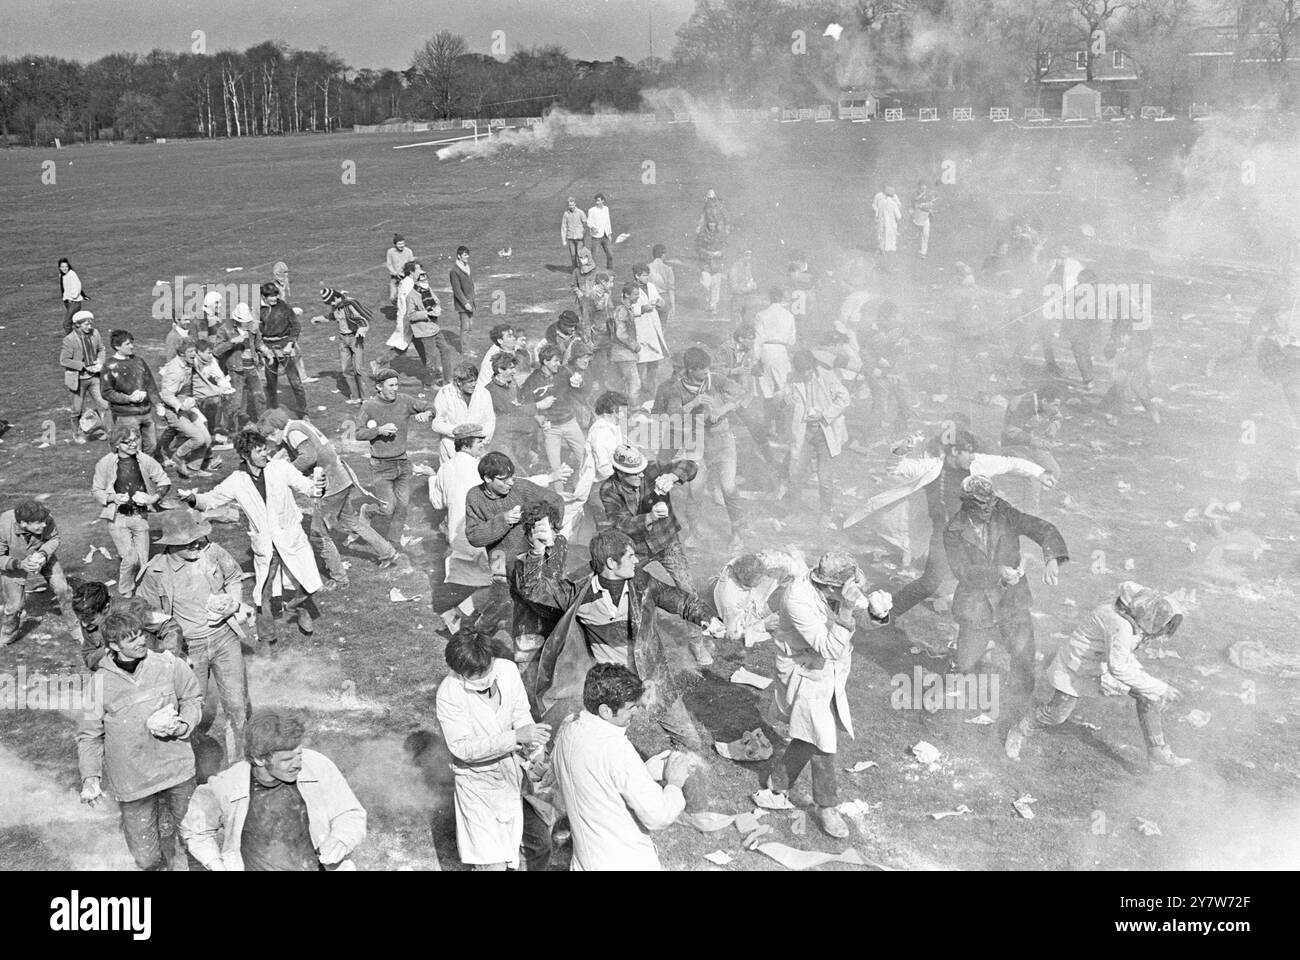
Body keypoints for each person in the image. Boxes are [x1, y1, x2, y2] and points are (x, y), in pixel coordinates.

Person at [520, 530, 723, 754]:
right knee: (591, 745)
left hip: (651, 676)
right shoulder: (580, 591)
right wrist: (536, 551)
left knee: (689, 740)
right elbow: (533, 590)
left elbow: (683, 603)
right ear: (611, 562)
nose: (637, 560)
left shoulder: (643, 583)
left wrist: (708, 618)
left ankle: (680, 774)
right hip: (609, 685)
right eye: (630, 556)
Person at [843, 428, 1054, 614]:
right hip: (944, 536)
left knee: (997, 573)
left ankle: (1004, 619)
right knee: (929, 584)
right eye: (968, 452)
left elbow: (1011, 463)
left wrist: (1040, 473)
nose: (972, 457)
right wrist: (901, 449)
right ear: (955, 452)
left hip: (975, 534)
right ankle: (887, 615)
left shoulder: (979, 463)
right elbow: (894, 468)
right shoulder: (931, 467)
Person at [766, 553, 892, 838]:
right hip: (802, 668)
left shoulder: (840, 587)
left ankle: (778, 783)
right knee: (823, 738)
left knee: (811, 733)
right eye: (849, 587)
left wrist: (877, 612)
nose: (854, 589)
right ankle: (826, 806)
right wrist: (846, 609)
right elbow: (829, 647)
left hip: (827, 670)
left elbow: (863, 619)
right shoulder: (797, 598)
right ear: (831, 587)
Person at [1005, 581, 1188, 768]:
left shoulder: (1132, 603)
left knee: (1150, 697)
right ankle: (1020, 729)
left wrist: (1155, 689)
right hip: (1077, 668)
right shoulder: (1119, 624)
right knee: (1056, 715)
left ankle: (1157, 752)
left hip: (1104, 664)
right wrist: (1162, 687)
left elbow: (1131, 587)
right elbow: (1119, 668)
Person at [76, 609, 202, 871]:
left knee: (196, 838)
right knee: (147, 859)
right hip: (133, 780)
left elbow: (192, 697)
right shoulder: (99, 683)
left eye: (141, 635)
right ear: (113, 645)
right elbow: (89, 735)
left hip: (176, 768)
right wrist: (91, 777)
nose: (141, 642)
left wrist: (185, 724)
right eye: (131, 639)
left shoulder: (168, 665)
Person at [185, 428, 327, 641]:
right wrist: (192, 498)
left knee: (309, 582)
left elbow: (308, 487)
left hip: (290, 538)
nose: (265, 454)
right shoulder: (236, 481)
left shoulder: (280, 468)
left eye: (265, 449)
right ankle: (267, 636)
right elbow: (211, 499)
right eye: (259, 451)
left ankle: (297, 607)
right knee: (264, 593)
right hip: (265, 545)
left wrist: (319, 486)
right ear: (245, 455)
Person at [550, 663, 695, 871]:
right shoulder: (618, 751)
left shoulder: (569, 729)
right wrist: (674, 783)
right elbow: (658, 815)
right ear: (606, 711)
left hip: (585, 861)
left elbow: (595, 780)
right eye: (631, 707)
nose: (636, 712)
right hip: (624, 861)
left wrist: (644, 772)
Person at [181, 712, 367, 870]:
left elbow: (349, 813)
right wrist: (216, 864)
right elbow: (196, 832)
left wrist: (341, 838)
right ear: (259, 759)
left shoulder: (318, 766)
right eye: (287, 760)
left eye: (299, 754)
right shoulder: (227, 786)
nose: (298, 764)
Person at [943, 475, 1069, 708]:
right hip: (977, 601)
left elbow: (1042, 528)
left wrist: (1051, 558)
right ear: (967, 503)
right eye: (982, 505)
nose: (989, 509)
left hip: (1012, 598)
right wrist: (997, 572)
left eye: (991, 502)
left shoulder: (1004, 512)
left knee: (1023, 653)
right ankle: (959, 674)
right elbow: (962, 571)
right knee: (967, 658)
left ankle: (1020, 700)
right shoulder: (954, 530)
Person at [136, 508, 250, 754]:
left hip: (224, 639)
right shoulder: (155, 571)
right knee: (190, 708)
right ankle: (193, 762)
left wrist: (232, 601)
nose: (198, 545)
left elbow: (233, 577)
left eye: (199, 539)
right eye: (190, 542)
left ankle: (239, 762)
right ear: (173, 544)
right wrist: (168, 640)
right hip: (188, 648)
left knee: (237, 705)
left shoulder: (213, 553)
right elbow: (142, 611)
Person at [435, 627, 550, 870]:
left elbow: (520, 712)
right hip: (478, 784)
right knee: (492, 865)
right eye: (470, 674)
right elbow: (463, 748)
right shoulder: (449, 693)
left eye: (483, 670)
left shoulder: (507, 670)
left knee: (538, 846)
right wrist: (515, 737)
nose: (479, 677)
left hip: (512, 777)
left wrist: (533, 747)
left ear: (491, 658)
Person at [260, 409, 406, 582]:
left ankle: (338, 577)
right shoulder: (297, 425)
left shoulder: (293, 432)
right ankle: (388, 552)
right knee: (351, 522)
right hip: (341, 478)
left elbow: (308, 457)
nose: (269, 439)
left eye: (270, 434)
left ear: (277, 427)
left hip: (331, 485)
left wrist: (285, 472)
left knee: (318, 533)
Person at [653, 346, 747, 551]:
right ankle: (695, 533)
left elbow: (741, 394)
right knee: (695, 490)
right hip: (696, 442)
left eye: (707, 369)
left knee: (728, 487)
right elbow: (673, 417)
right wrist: (693, 403)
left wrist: (723, 409)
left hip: (722, 440)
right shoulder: (677, 389)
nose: (706, 373)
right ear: (690, 370)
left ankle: (737, 533)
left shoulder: (716, 380)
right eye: (702, 370)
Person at [599, 443, 699, 594]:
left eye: (641, 470)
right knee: (620, 586)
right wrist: (650, 517)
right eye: (635, 473)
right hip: (635, 547)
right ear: (620, 473)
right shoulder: (609, 489)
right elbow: (620, 524)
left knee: (688, 589)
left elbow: (691, 465)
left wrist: (671, 477)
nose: (641, 475)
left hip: (666, 541)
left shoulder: (652, 469)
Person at [356, 369, 434, 549]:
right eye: (390, 385)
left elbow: (430, 406)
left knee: (402, 506)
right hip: (381, 466)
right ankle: (367, 512)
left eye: (396, 385)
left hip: (403, 463)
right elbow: (358, 432)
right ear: (378, 387)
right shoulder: (369, 406)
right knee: (387, 508)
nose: (395, 389)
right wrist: (379, 431)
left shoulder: (405, 401)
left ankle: (394, 541)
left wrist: (427, 414)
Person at [92, 426, 170, 596]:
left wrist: (152, 498)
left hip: (140, 515)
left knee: (142, 560)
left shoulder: (145, 460)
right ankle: (126, 590)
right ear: (117, 444)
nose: (133, 444)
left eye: (135, 439)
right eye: (127, 442)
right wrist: (112, 498)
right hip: (117, 517)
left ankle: (144, 592)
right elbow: (96, 490)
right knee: (130, 558)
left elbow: (164, 481)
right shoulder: (105, 464)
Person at [464, 452, 567, 580]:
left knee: (541, 592)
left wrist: (551, 529)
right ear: (488, 478)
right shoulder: (475, 497)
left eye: (512, 477)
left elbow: (556, 501)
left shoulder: (520, 487)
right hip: (500, 560)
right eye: (504, 479)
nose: (510, 482)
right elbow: (474, 537)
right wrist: (503, 520)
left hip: (533, 553)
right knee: (503, 595)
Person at [779, 349, 850, 528]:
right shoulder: (792, 377)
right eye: (800, 373)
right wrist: (784, 399)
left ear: (813, 366)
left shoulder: (827, 376)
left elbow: (844, 399)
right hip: (804, 432)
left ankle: (825, 514)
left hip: (825, 432)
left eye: (807, 372)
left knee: (824, 478)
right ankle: (795, 512)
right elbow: (780, 397)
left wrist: (824, 414)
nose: (804, 376)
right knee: (796, 474)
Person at [0, 500, 84, 647]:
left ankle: (75, 627)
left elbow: (54, 538)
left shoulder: (46, 518)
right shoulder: (4, 524)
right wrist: (20, 564)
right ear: (24, 523)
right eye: (39, 523)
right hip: (15, 561)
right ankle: (8, 633)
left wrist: (43, 554)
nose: (44, 525)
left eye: (44, 522)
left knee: (63, 590)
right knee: (14, 605)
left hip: (42, 555)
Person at [425, 423, 495, 587]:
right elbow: (506, 486)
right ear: (465, 444)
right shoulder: (480, 468)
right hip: (478, 537)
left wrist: (432, 478)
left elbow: (437, 503)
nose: (483, 444)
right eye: (479, 441)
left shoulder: (445, 468)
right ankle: (464, 609)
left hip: (456, 539)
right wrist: (548, 479)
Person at [508, 501, 569, 674]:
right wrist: (537, 552)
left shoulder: (560, 542)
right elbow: (531, 593)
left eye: (554, 529)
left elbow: (560, 574)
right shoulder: (517, 557)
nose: (553, 535)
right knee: (530, 675)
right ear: (530, 530)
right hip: (530, 627)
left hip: (555, 621)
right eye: (545, 530)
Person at [713, 549, 807, 646]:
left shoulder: (749, 562)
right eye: (759, 579)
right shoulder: (729, 601)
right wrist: (763, 625)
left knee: (789, 573)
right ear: (745, 582)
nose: (763, 579)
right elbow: (734, 632)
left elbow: (778, 560)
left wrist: (797, 572)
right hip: (743, 614)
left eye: (763, 576)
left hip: (750, 595)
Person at [522, 344, 585, 488]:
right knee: (556, 466)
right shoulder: (532, 381)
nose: (559, 364)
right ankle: (561, 497)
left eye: (560, 360)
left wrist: (579, 384)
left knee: (584, 457)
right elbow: (525, 406)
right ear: (545, 361)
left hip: (570, 421)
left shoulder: (564, 372)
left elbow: (580, 390)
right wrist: (537, 417)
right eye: (556, 361)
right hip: (550, 428)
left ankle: (582, 488)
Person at [1000, 383, 1065, 513]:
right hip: (1012, 446)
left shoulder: (1044, 399)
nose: (1056, 408)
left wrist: (1054, 425)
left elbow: (1057, 416)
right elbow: (1011, 431)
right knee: (1035, 475)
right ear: (1045, 401)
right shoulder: (1024, 403)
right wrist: (1038, 442)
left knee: (1054, 471)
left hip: (1030, 444)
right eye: (1055, 405)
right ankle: (1030, 515)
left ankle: (1037, 504)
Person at [158, 342, 216, 478]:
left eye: (194, 351)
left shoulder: (188, 363)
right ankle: (178, 457)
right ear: (181, 354)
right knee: (198, 438)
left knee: (206, 439)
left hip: (188, 405)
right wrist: (180, 406)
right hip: (174, 410)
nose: (194, 354)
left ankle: (194, 468)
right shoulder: (175, 370)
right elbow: (166, 394)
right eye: (191, 351)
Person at [100, 329, 162, 454]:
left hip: (146, 412)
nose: (132, 346)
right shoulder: (109, 366)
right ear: (117, 346)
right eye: (127, 344)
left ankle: (147, 470)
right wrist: (128, 398)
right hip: (126, 416)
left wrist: (157, 403)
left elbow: (150, 384)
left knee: (152, 446)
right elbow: (106, 392)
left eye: (131, 343)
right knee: (132, 449)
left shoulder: (139, 361)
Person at [214, 303, 266, 430]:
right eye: (243, 321)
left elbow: (259, 343)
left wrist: (266, 352)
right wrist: (232, 342)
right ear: (235, 320)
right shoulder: (225, 329)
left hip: (252, 367)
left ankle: (263, 425)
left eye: (247, 321)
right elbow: (216, 351)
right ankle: (232, 431)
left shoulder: (253, 327)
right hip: (235, 370)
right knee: (235, 402)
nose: (246, 323)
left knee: (260, 397)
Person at [60, 309, 109, 444]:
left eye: (90, 324)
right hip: (78, 380)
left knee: (104, 405)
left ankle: (104, 430)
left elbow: (101, 349)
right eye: (86, 324)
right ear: (77, 325)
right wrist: (83, 365)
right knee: (77, 410)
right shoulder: (69, 340)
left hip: (94, 377)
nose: (90, 327)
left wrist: (100, 362)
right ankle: (77, 434)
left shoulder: (95, 334)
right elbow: (64, 360)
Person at [432, 361, 495, 464]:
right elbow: (436, 424)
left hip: (477, 446)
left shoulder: (483, 393)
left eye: (475, 380)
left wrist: (485, 438)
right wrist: (459, 431)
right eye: (470, 382)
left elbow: (490, 420)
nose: (474, 384)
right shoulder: (445, 393)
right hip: (451, 445)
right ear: (459, 382)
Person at [259, 281, 306, 418]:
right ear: (263, 296)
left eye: (275, 295)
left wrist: (290, 344)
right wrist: (261, 350)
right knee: (271, 383)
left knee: (296, 383)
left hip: (285, 347)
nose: (274, 298)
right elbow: (257, 332)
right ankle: (273, 412)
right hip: (268, 350)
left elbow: (296, 326)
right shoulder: (258, 310)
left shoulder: (284, 307)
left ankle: (304, 413)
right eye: (270, 296)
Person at [321, 287, 371, 404]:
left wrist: (361, 331)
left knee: (358, 369)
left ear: (337, 297)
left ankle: (366, 398)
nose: (332, 304)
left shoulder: (349, 305)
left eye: (332, 301)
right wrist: (320, 319)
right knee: (346, 370)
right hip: (343, 340)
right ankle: (355, 397)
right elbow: (333, 316)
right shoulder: (336, 307)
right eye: (329, 303)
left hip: (355, 338)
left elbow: (362, 320)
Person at [753, 287, 797, 414]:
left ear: (770, 298)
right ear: (782, 298)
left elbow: (758, 339)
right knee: (782, 388)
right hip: (781, 351)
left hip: (766, 351)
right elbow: (792, 340)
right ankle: (780, 422)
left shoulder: (761, 315)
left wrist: (756, 359)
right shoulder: (789, 315)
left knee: (767, 389)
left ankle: (770, 423)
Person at [632, 263, 669, 400]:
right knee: (641, 363)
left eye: (648, 275)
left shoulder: (652, 287)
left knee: (654, 363)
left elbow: (662, 302)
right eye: (644, 276)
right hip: (641, 330)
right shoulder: (631, 289)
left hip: (653, 330)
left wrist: (660, 303)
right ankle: (640, 390)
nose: (647, 278)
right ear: (637, 276)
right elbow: (628, 309)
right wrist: (642, 309)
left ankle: (652, 392)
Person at [191, 339, 236, 446]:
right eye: (208, 353)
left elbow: (219, 376)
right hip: (191, 392)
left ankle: (210, 432)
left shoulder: (211, 360)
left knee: (214, 401)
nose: (210, 355)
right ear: (199, 352)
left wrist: (226, 387)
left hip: (203, 392)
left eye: (211, 352)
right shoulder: (193, 361)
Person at [607, 282, 643, 401]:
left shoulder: (625, 308)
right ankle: (634, 410)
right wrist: (635, 346)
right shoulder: (622, 310)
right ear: (627, 295)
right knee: (634, 384)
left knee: (620, 385)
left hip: (619, 353)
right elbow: (620, 334)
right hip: (624, 354)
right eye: (635, 294)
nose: (638, 296)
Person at [477, 323, 523, 389]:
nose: (514, 338)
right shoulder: (494, 359)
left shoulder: (507, 347)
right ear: (500, 340)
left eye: (513, 335)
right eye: (509, 336)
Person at [696, 217, 726, 315]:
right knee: (705, 284)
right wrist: (707, 253)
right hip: (706, 263)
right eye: (710, 223)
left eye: (714, 223)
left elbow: (725, 247)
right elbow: (698, 247)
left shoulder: (720, 235)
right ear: (707, 224)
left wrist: (719, 253)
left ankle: (713, 306)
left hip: (717, 263)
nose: (712, 225)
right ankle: (706, 301)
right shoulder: (702, 235)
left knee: (716, 285)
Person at [450, 245, 476, 342]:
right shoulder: (454, 271)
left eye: (468, 254)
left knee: (470, 326)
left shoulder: (467, 267)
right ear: (459, 256)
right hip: (463, 304)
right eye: (465, 255)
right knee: (465, 327)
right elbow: (457, 290)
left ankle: (468, 347)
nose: (467, 256)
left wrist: (472, 301)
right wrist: (465, 303)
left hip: (470, 302)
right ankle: (465, 350)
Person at [727, 247, 760, 323]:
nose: (749, 258)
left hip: (747, 298)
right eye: (747, 255)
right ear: (741, 256)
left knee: (747, 322)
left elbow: (750, 279)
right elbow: (733, 288)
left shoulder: (748, 266)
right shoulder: (734, 268)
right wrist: (748, 288)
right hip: (737, 298)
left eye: (750, 255)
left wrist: (753, 284)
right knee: (737, 323)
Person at [647, 244, 676, 325]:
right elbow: (671, 289)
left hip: (651, 297)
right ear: (663, 255)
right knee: (662, 324)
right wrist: (673, 306)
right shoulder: (668, 269)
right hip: (663, 297)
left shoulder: (648, 267)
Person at [587, 193, 614, 270]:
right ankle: (593, 271)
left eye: (598, 200)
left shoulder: (606, 209)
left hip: (605, 236)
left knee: (610, 254)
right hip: (596, 237)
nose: (597, 202)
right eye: (596, 201)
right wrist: (592, 227)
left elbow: (608, 221)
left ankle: (610, 271)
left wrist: (609, 234)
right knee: (594, 256)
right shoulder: (592, 210)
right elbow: (588, 222)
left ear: (603, 201)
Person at [386, 234, 416, 304]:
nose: (401, 245)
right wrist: (395, 273)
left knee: (405, 297)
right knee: (392, 298)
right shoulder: (390, 252)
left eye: (403, 243)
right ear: (395, 244)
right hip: (395, 277)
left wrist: (407, 273)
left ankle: (404, 310)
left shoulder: (408, 251)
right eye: (399, 244)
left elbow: (411, 264)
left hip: (406, 277)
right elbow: (389, 264)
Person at [875, 186, 903, 261]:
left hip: (882, 223)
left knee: (882, 236)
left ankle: (882, 249)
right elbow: (899, 216)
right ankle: (890, 254)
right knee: (891, 238)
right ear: (893, 195)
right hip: (891, 224)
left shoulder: (880, 203)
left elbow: (878, 214)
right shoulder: (893, 204)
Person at [59, 257, 87, 331]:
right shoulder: (62, 275)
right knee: (75, 323)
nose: (64, 268)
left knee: (66, 324)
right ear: (59, 267)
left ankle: (72, 341)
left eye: (66, 266)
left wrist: (73, 296)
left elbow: (78, 286)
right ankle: (80, 339)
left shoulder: (72, 274)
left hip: (74, 303)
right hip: (68, 303)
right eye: (62, 267)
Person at [910, 179, 935, 258]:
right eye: (922, 185)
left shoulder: (928, 194)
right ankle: (918, 250)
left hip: (926, 216)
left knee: (926, 234)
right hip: (918, 216)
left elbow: (931, 204)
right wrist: (923, 194)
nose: (924, 187)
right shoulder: (915, 193)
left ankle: (923, 252)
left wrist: (931, 212)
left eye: (925, 185)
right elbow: (915, 200)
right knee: (918, 234)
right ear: (919, 186)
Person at [560, 197, 588, 267]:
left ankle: (583, 269)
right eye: (569, 205)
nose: (571, 207)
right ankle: (575, 271)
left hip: (579, 238)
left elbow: (585, 225)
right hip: (571, 238)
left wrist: (583, 235)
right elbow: (564, 227)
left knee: (580, 255)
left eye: (572, 205)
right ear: (568, 205)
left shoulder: (581, 213)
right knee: (573, 255)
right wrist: (563, 240)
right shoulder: (566, 214)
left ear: (575, 204)